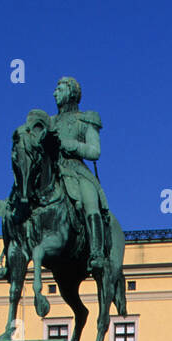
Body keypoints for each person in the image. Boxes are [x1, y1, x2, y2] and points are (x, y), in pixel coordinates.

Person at [49, 76, 112, 275]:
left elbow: (95, 151)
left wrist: (73, 145)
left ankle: (96, 253)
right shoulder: (49, 123)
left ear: (71, 92)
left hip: (77, 171)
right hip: (54, 172)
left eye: (60, 88)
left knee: (89, 201)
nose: (55, 93)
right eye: (56, 88)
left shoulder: (86, 119)